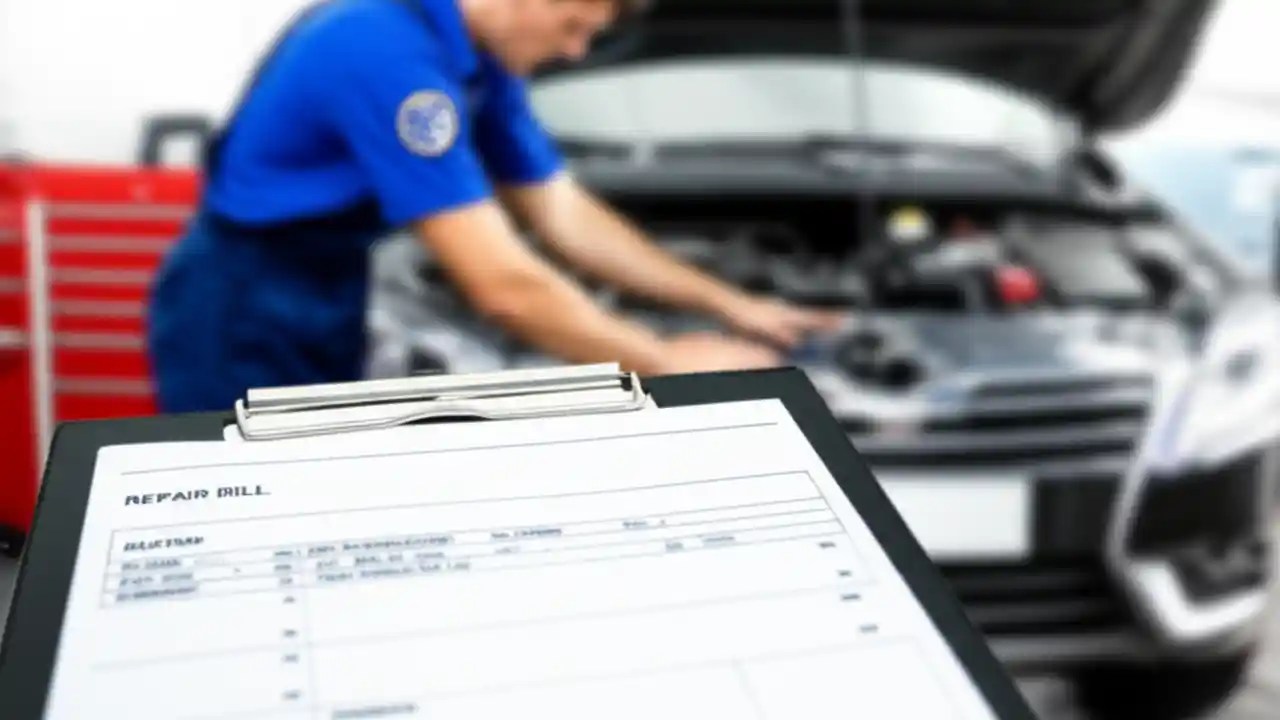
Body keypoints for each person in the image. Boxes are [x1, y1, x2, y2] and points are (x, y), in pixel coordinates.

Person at [148, 0, 836, 413]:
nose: (577, 51)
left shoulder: (482, 63)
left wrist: (731, 304)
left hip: (330, 286)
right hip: (242, 310)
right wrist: (664, 362)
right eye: (574, 26)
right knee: (263, 519)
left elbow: (564, 215)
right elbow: (502, 288)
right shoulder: (386, 54)